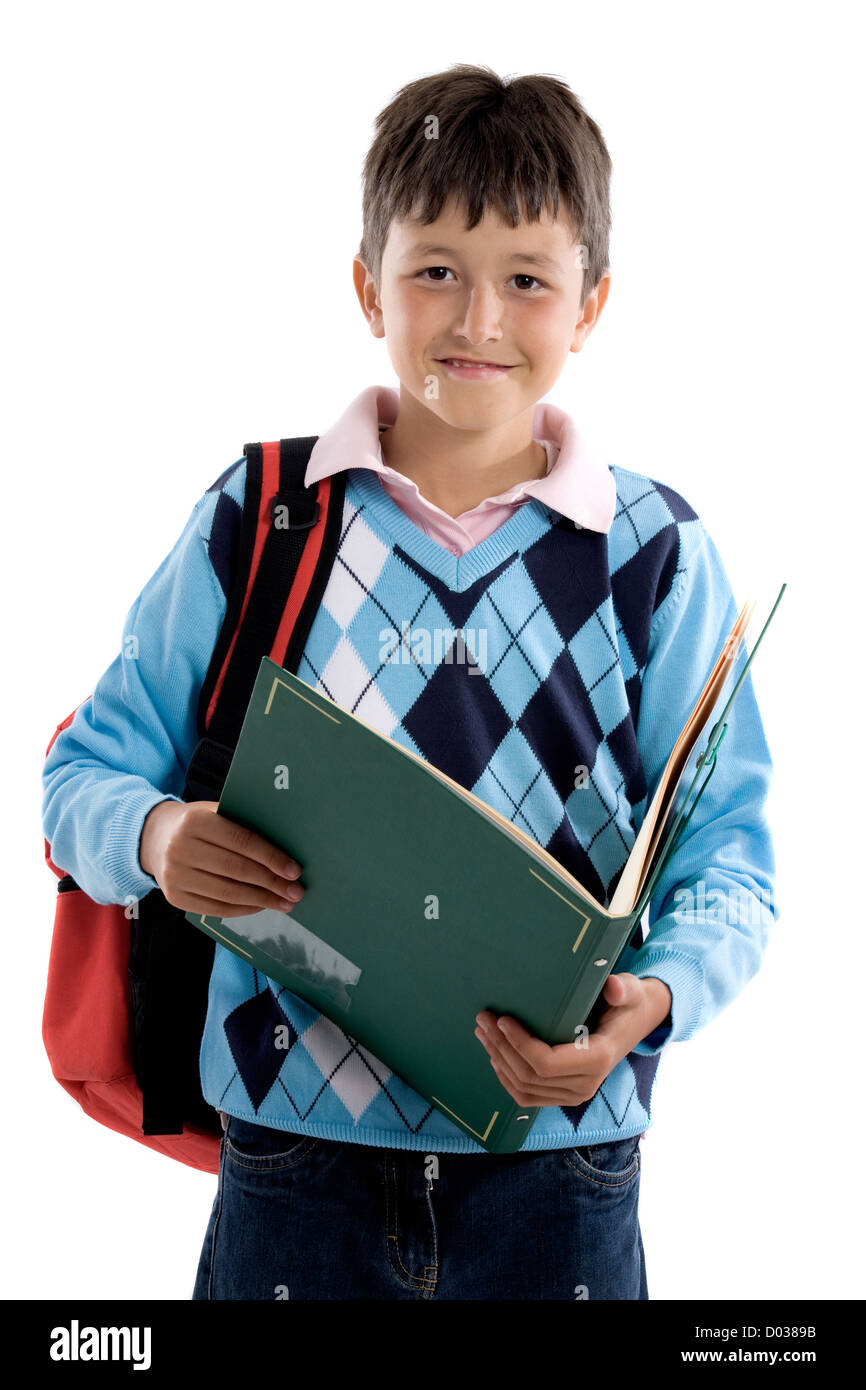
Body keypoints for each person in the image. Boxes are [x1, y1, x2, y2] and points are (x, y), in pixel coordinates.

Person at [42, 62, 778, 1301]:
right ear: (363, 284)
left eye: (527, 281)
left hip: (560, 1177)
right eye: (434, 268)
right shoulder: (263, 514)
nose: (477, 321)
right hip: (293, 1167)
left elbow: (732, 865)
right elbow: (82, 776)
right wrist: (161, 835)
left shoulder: (655, 554)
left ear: (590, 304)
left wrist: (648, 998)